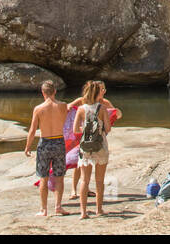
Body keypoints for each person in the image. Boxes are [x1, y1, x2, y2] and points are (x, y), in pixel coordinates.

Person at [65, 81, 121, 199]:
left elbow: (116, 114)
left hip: (96, 137)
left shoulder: (105, 103)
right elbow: (69, 106)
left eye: (101, 89)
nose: (99, 91)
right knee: (79, 164)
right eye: (97, 89)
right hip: (81, 137)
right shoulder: (82, 100)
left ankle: (87, 190)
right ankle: (74, 190)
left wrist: (116, 112)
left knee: (89, 164)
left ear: (104, 91)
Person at [24, 80, 69, 217]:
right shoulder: (62, 106)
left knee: (43, 177)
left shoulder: (38, 109)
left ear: (43, 93)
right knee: (59, 176)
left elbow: (32, 130)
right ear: (55, 91)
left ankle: (43, 209)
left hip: (44, 143)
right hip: (59, 142)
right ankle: (58, 206)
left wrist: (27, 147)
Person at [72, 80, 113, 218]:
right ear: (97, 93)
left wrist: (85, 130)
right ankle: (99, 210)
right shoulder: (102, 108)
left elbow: (75, 130)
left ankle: (83, 212)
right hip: (100, 145)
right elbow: (108, 128)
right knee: (99, 180)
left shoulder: (81, 109)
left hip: (85, 147)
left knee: (84, 180)